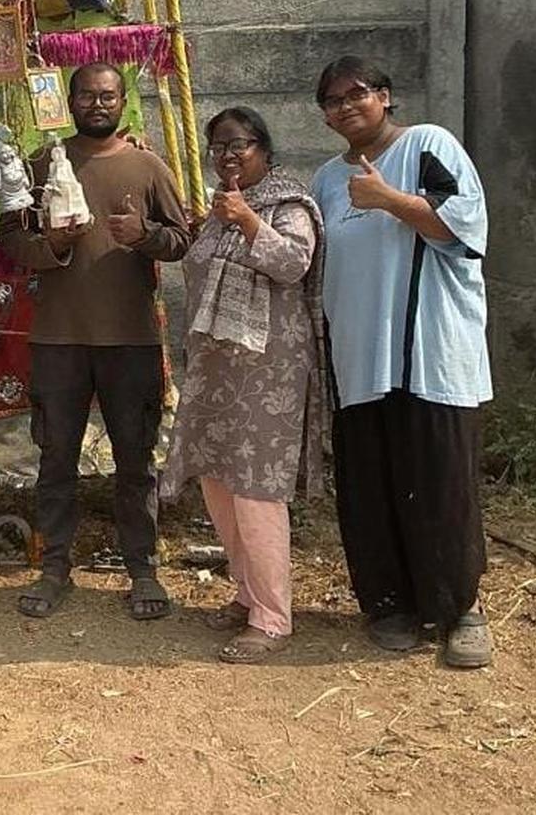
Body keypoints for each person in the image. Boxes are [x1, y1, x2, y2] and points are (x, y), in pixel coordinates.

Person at [310, 55, 493, 668]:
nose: (345, 107)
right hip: (359, 357)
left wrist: (389, 198)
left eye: (356, 94)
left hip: (430, 353)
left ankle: (461, 608)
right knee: (372, 484)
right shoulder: (326, 181)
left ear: (385, 96)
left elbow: (465, 227)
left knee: (441, 480)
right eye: (332, 101)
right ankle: (390, 604)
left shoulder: (426, 145)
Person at [0, 63, 191, 622]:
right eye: (87, 95)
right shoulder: (42, 164)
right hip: (58, 339)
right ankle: (54, 565)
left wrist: (145, 236)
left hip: (130, 339)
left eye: (108, 96)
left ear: (122, 102)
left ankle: (143, 568)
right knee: (56, 459)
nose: (97, 105)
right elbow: (11, 237)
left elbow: (180, 240)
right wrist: (52, 244)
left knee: (135, 460)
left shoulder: (146, 166)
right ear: (70, 102)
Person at [161, 108, 326, 663]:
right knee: (219, 480)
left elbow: (293, 265)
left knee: (257, 488)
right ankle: (246, 592)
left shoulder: (289, 204)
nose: (228, 156)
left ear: (265, 149)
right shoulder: (218, 209)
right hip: (217, 370)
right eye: (219, 147)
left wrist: (250, 222)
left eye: (240, 145)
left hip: (268, 370)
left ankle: (273, 617)